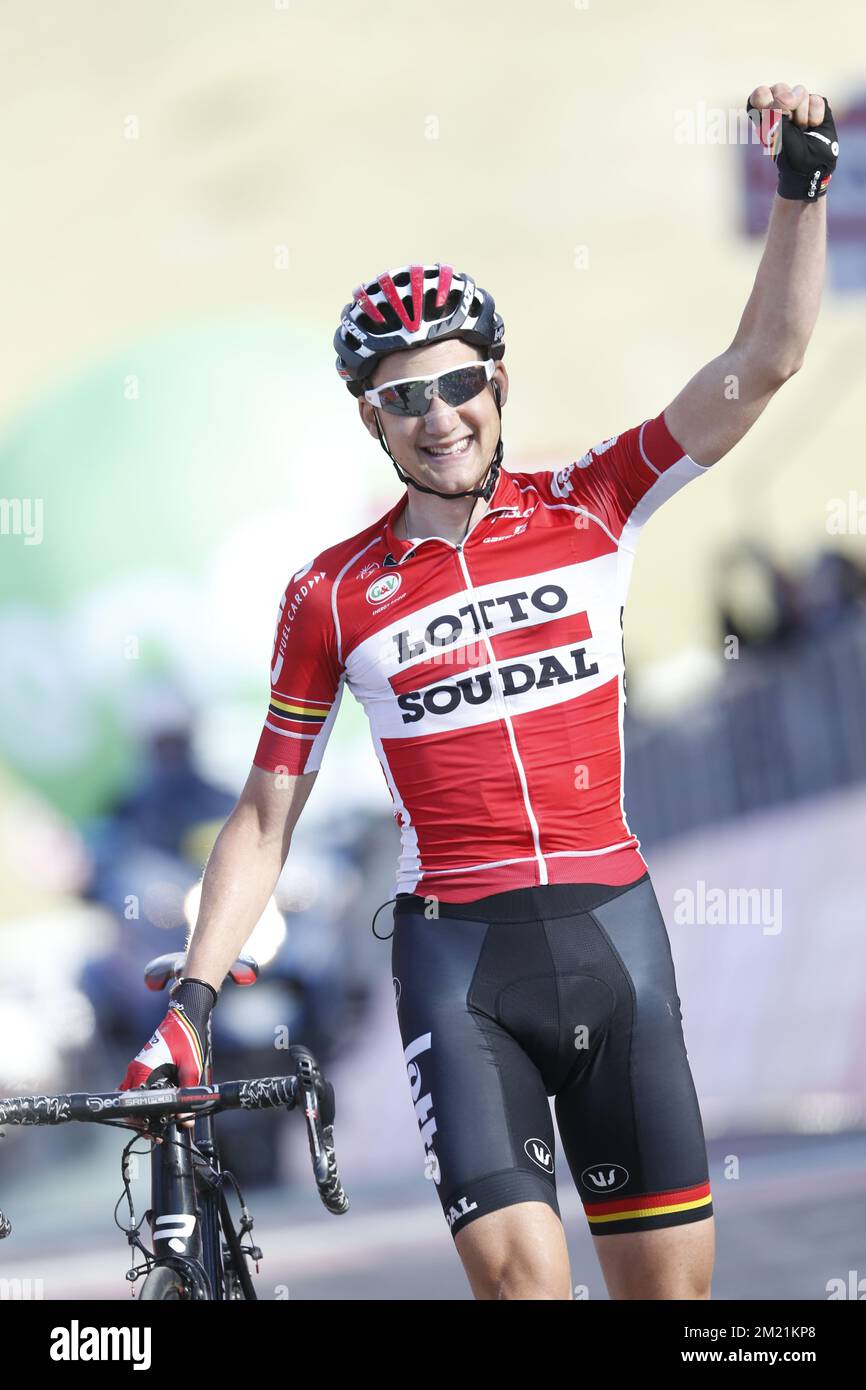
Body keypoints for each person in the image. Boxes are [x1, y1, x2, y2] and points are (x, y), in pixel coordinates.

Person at [120, 82, 837, 1299]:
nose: (438, 417)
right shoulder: (333, 592)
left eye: (456, 385)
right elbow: (262, 815)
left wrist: (800, 189)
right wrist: (193, 993)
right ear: (370, 420)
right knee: (519, 1290)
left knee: (677, 1304)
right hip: (459, 967)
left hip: (614, 938)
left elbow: (763, 362)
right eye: (404, 399)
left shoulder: (592, 504)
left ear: (498, 381)